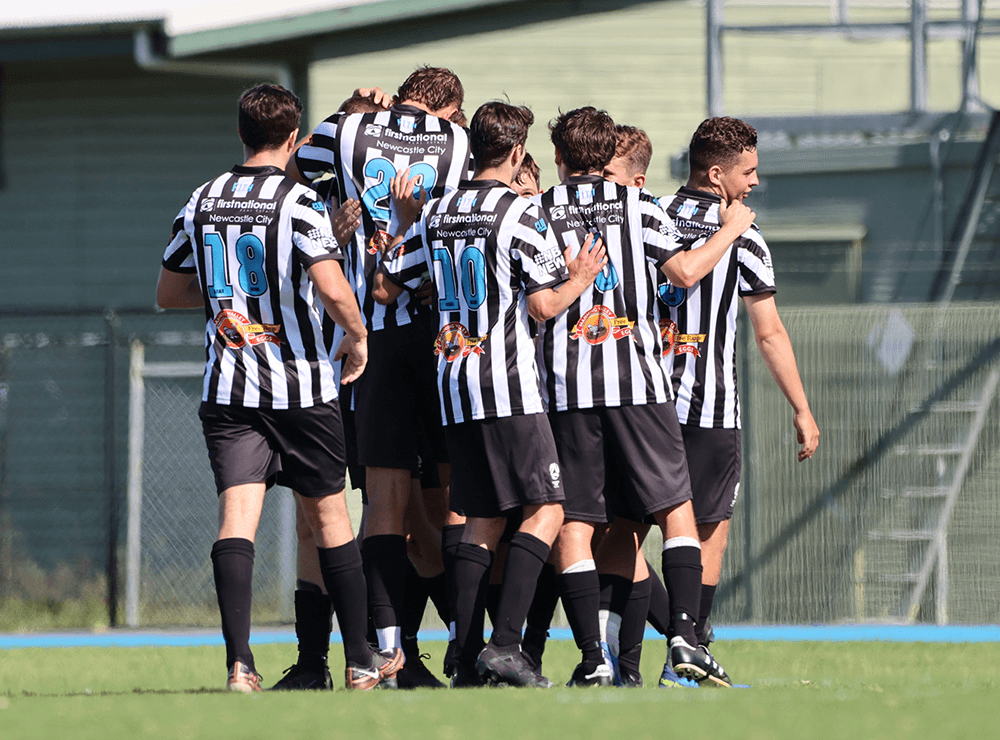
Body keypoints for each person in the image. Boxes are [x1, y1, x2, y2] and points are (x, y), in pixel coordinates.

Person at [156, 83, 399, 692]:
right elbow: (334, 288)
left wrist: (229, 301)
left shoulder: (204, 197)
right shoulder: (299, 203)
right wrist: (358, 335)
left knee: (236, 519)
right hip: (302, 388)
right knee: (330, 520)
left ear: (240, 134)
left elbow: (169, 291)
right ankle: (360, 662)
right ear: (293, 138)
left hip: (230, 389)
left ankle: (240, 665)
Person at [372, 101, 607, 688]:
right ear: (518, 152)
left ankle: (466, 652)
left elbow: (386, 285)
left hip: (453, 383)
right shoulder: (522, 213)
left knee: (481, 520)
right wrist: (580, 278)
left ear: (471, 148)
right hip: (508, 388)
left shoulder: (437, 212)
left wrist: (402, 226)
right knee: (548, 509)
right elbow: (545, 304)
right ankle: (505, 645)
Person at [533, 108, 755, 687]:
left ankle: (594, 660)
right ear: (607, 154)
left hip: (567, 386)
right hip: (638, 386)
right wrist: (730, 230)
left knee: (578, 527)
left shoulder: (541, 210)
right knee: (674, 508)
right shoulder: (641, 206)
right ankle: (685, 635)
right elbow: (682, 273)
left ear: (558, 155)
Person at [288, 67, 472, 683]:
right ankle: (460, 648)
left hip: (362, 342)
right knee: (443, 509)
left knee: (376, 506)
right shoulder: (457, 145)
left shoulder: (347, 127)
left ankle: (385, 652)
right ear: (451, 110)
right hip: (437, 340)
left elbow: (282, 177)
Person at [653, 116, 820, 686]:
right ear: (717, 172)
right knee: (707, 531)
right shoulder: (742, 233)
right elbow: (768, 331)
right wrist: (801, 407)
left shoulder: (648, 215)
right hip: (709, 408)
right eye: (747, 171)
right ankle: (689, 647)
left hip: (641, 404)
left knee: (619, 533)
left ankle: (620, 659)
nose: (754, 182)